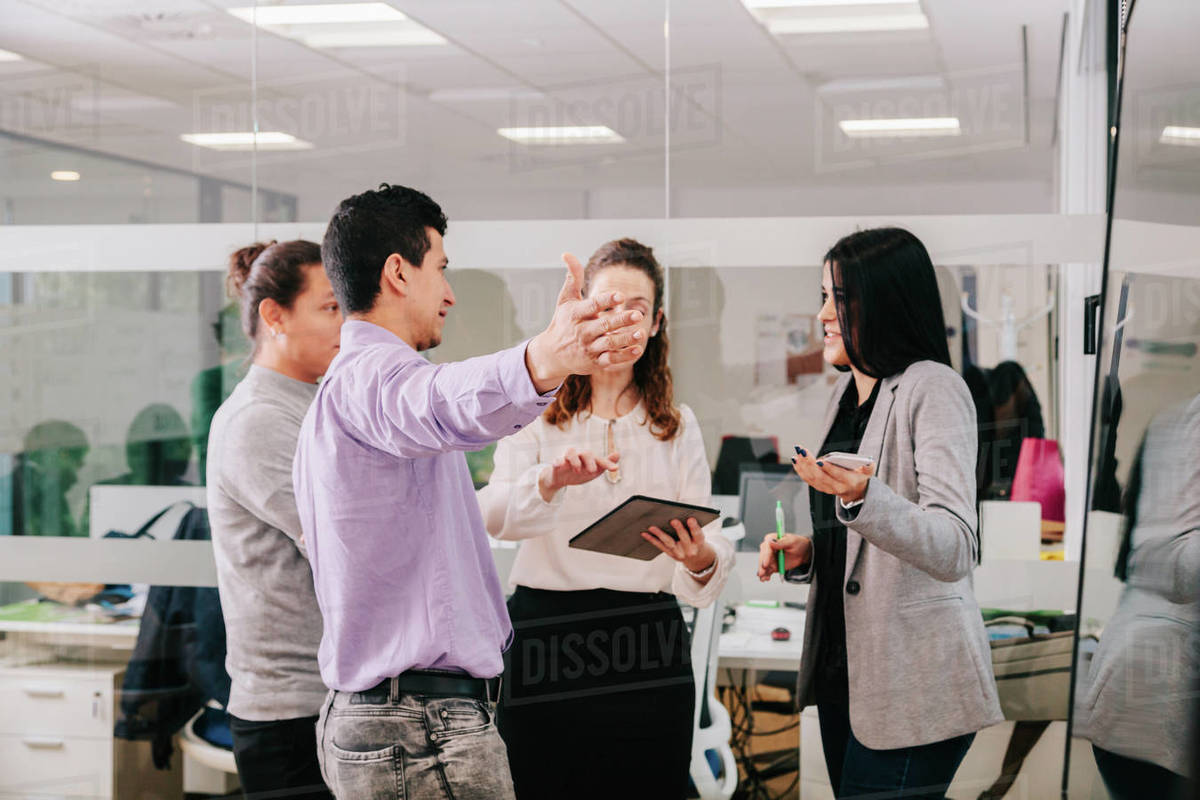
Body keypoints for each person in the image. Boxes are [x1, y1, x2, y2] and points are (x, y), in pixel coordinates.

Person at [292, 184, 648, 800]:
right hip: (419, 727)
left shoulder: (345, 390)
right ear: (398, 273)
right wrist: (547, 356)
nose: (450, 294)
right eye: (442, 269)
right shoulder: (373, 379)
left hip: (401, 720)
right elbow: (440, 402)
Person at [477, 238, 735, 799]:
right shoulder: (536, 410)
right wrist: (547, 483)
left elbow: (708, 551)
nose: (619, 321)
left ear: (657, 321)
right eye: (604, 305)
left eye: (636, 309)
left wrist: (698, 556)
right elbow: (492, 516)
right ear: (581, 312)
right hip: (549, 633)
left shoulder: (677, 424)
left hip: (647, 641)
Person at [758, 227, 1002, 799]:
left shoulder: (933, 389)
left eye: (836, 299)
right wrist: (812, 552)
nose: (821, 315)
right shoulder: (841, 399)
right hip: (852, 679)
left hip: (914, 685)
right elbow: (864, 546)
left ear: (884, 303)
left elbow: (956, 545)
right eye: (822, 296)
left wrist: (863, 499)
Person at [206, 239, 342, 800]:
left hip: (328, 701)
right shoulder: (258, 419)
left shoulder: (312, 403)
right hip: (290, 714)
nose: (348, 325)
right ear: (274, 315)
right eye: (331, 308)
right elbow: (347, 543)